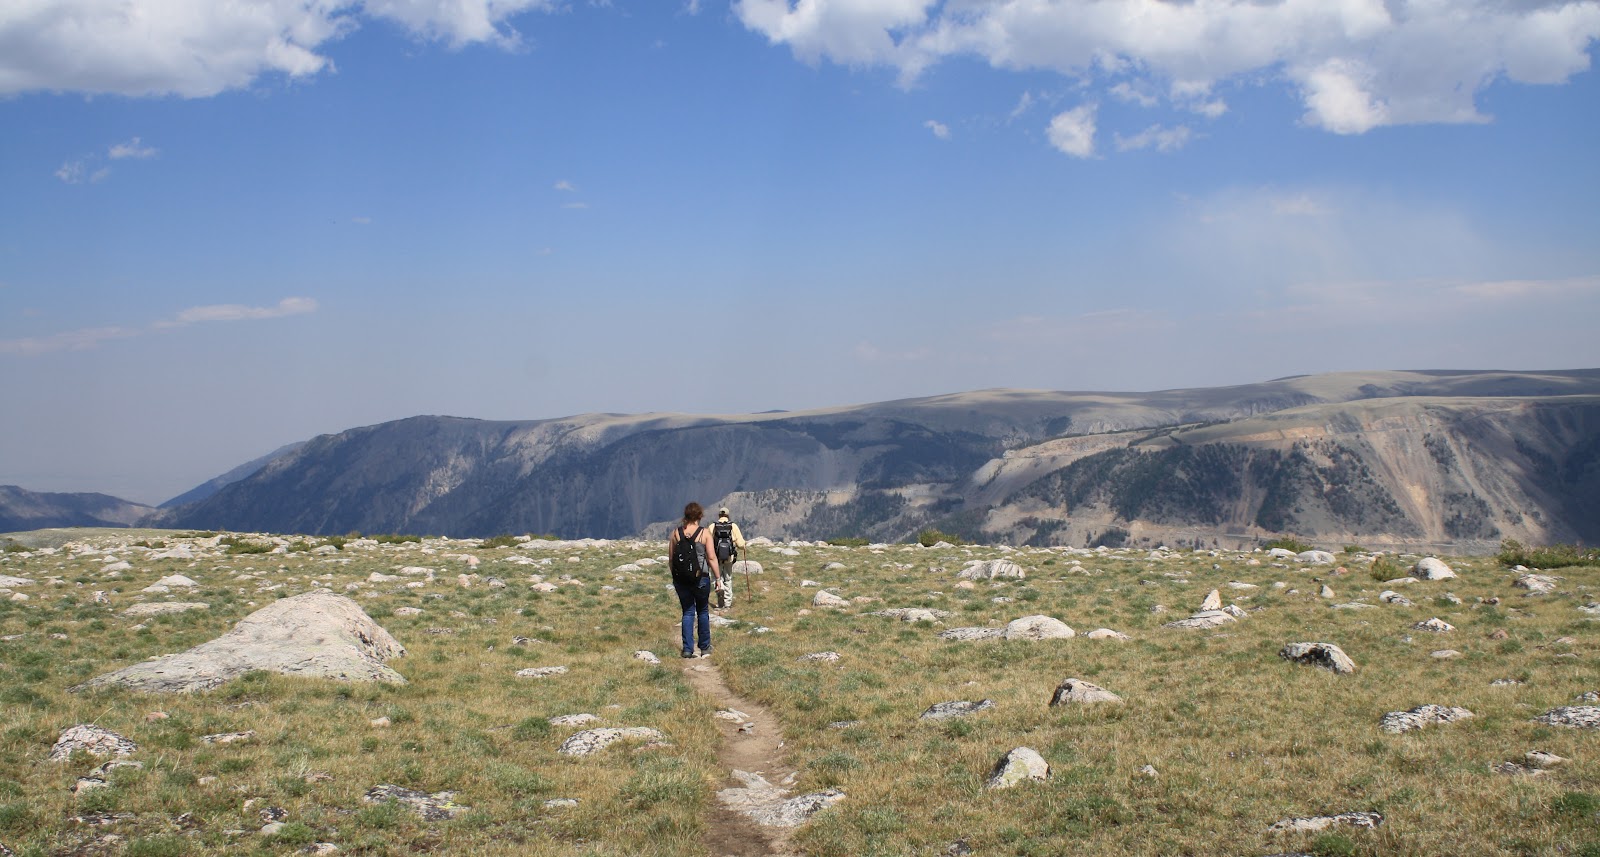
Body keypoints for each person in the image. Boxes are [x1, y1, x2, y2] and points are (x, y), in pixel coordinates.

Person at [668, 502, 721, 658]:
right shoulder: (704, 533)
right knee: (703, 611)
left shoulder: (676, 533)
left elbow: (671, 559)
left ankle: (687, 649)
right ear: (700, 516)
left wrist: (676, 576)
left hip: (681, 580)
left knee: (688, 612)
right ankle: (704, 647)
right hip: (701, 578)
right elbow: (711, 557)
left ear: (685, 516)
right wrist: (718, 577)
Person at [711, 507, 747, 609]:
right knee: (728, 578)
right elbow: (740, 544)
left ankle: (720, 589)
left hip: (716, 558)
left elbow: (707, 542)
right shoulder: (733, 526)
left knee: (716, 578)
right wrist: (744, 545)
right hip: (729, 557)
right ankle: (727, 603)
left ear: (719, 516)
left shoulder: (713, 526)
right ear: (728, 515)